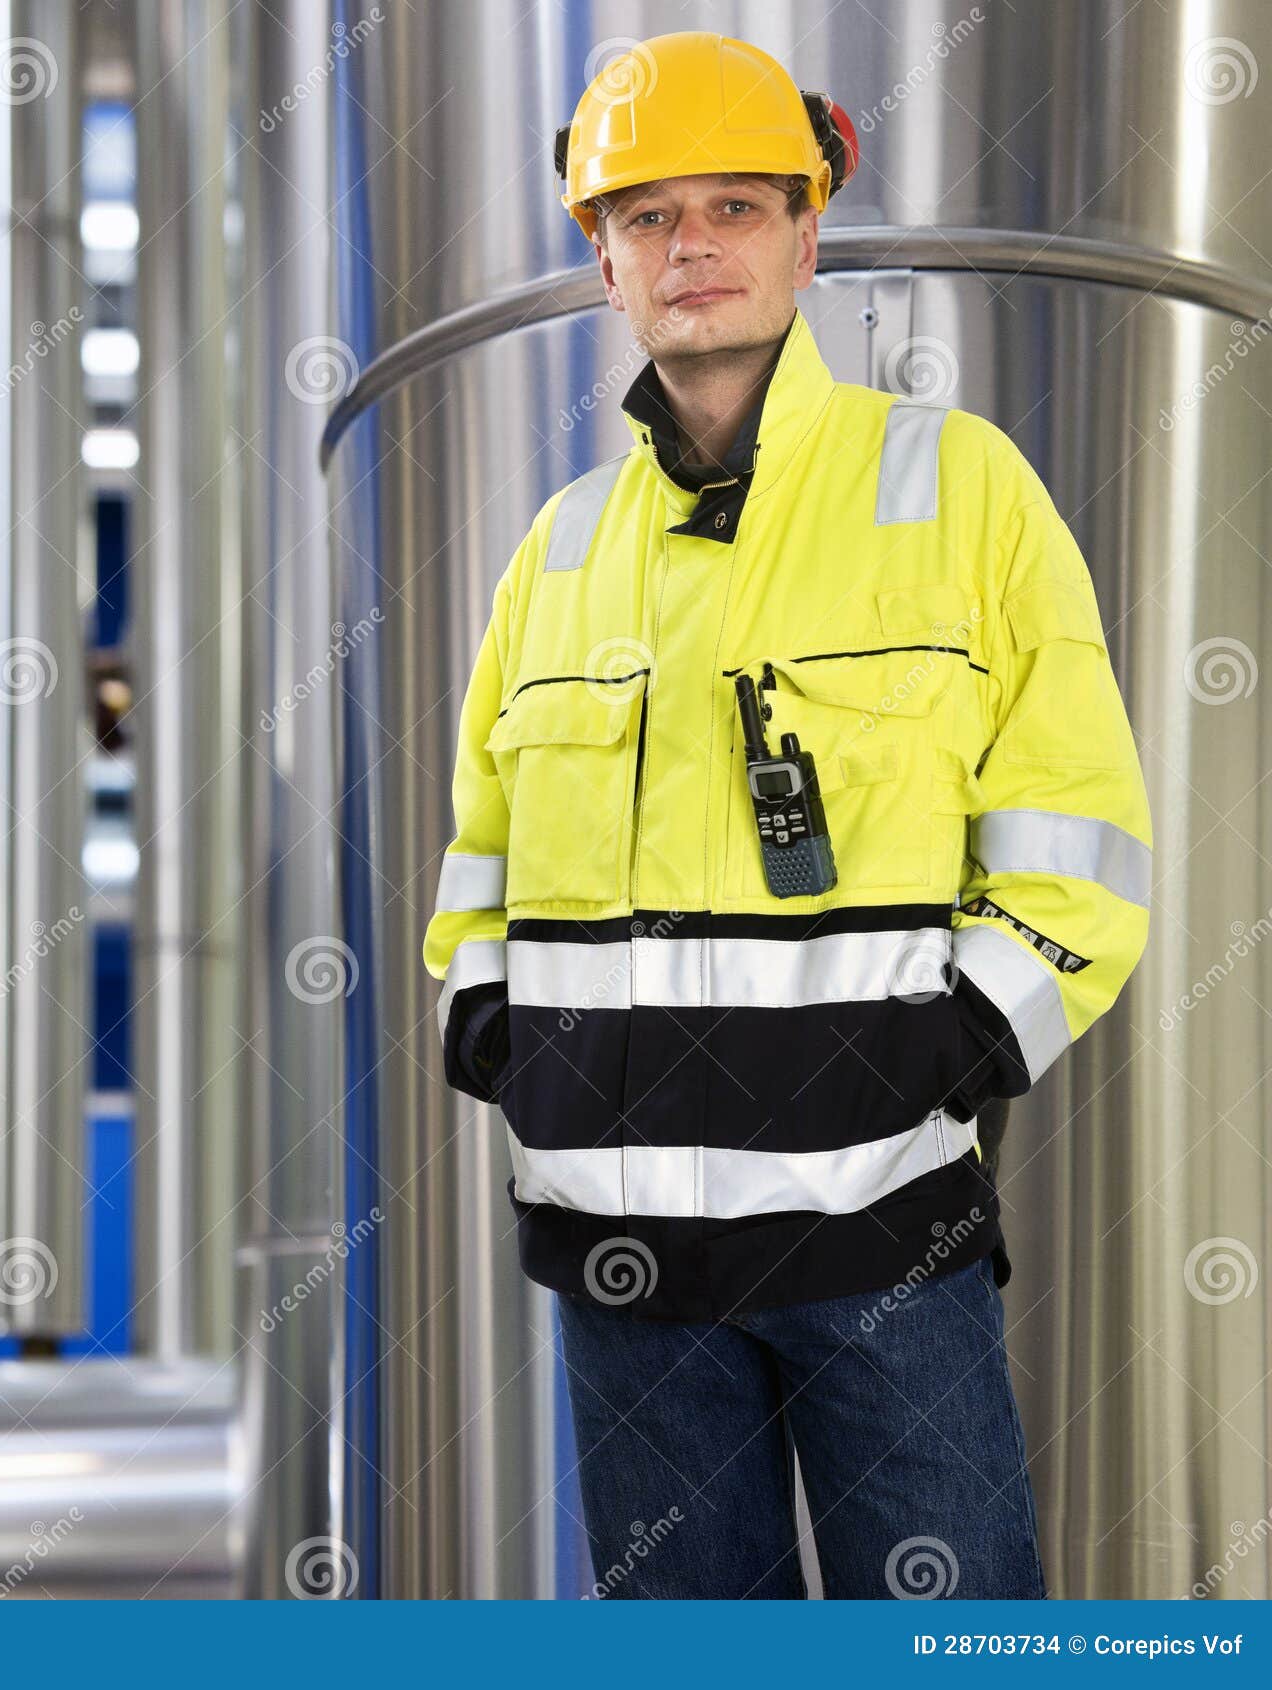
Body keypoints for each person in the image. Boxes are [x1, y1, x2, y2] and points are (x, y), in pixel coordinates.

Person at [421, 31, 1151, 1599]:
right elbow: (480, 844)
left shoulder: (961, 490)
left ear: (807, 237)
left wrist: (947, 1054)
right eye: (647, 216)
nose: (692, 246)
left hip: (879, 1248)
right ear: (603, 261)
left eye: (737, 206)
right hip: (621, 1273)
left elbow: (1080, 843)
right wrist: (491, 1022)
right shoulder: (554, 552)